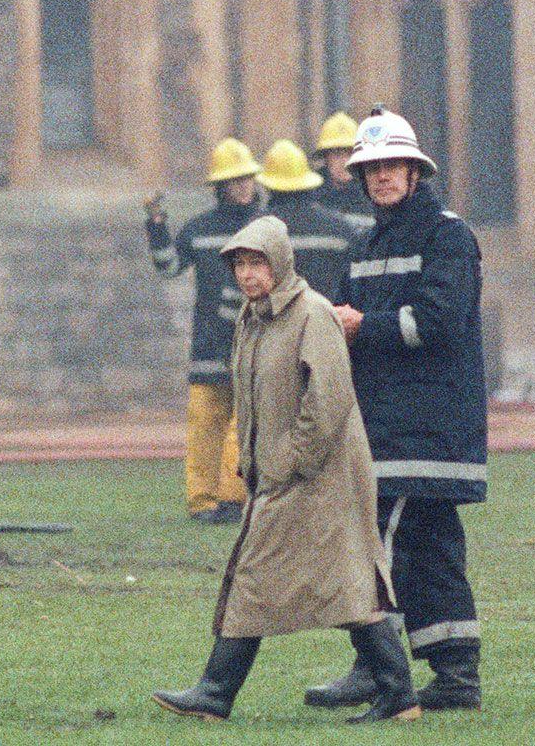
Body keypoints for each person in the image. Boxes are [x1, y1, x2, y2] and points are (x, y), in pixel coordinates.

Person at [151, 216, 420, 725]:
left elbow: (329, 399)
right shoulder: (252, 319)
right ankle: (398, 692)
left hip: (322, 475)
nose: (249, 275)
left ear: (281, 262)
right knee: (346, 582)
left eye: (258, 263)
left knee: (265, 575)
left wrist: (286, 462)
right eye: (240, 265)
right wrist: (252, 464)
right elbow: (253, 402)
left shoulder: (312, 315)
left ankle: (216, 691)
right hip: (282, 475)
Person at [306, 106, 487, 712]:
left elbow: (438, 323)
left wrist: (364, 327)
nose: (381, 176)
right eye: (372, 168)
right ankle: (457, 678)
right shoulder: (364, 244)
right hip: (385, 425)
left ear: (415, 171)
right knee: (432, 549)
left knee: (372, 544)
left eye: (392, 166)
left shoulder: (447, 235)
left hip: (428, 427)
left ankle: (378, 671)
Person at [144, 138, 260, 523]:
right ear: (220, 187)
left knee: (243, 424)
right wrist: (157, 227)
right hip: (209, 342)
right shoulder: (200, 229)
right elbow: (169, 266)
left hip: (254, 341)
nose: (243, 187)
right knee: (204, 424)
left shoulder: (268, 226)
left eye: (247, 179)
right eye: (235, 180)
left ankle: (232, 498)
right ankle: (201, 501)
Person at [255, 139, 358, 301]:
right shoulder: (341, 228)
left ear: (268, 185)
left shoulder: (255, 229)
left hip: (274, 324)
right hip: (328, 321)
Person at [311, 111, 375, 227]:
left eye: (350, 153)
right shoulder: (311, 196)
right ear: (325, 157)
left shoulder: (373, 192)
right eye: (337, 154)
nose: (345, 162)